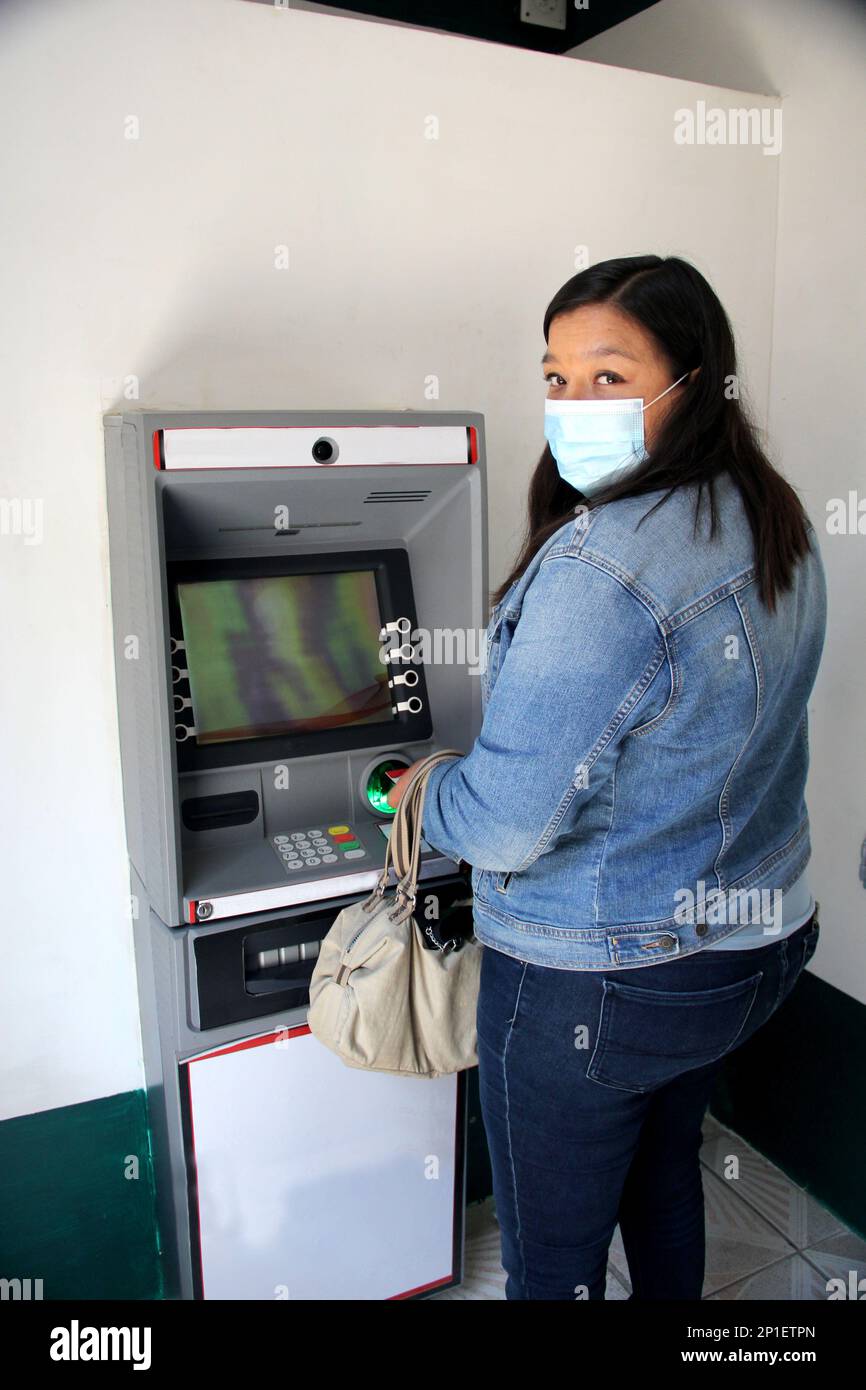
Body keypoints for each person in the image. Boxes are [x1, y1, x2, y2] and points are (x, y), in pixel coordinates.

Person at [386, 254, 826, 1300]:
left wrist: (415, 787)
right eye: (554, 378)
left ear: (694, 380)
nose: (571, 405)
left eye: (608, 377)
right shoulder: (768, 515)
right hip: (746, 946)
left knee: (552, 1262)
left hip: (601, 976)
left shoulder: (603, 570)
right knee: (660, 1177)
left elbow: (497, 828)